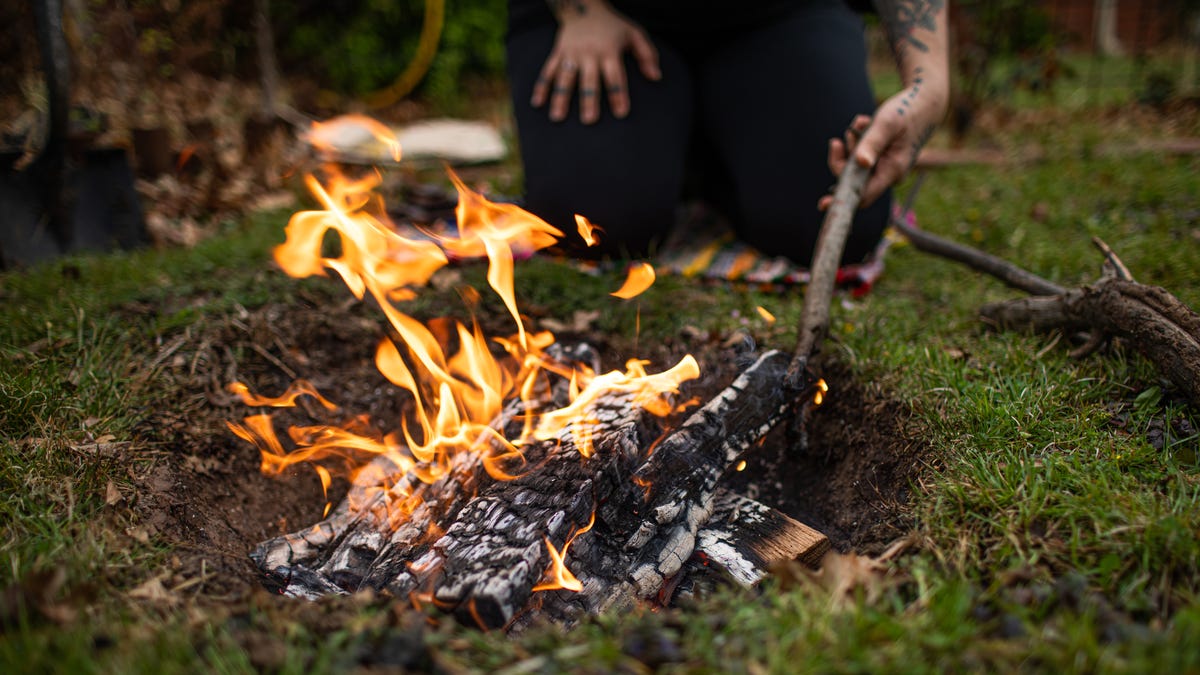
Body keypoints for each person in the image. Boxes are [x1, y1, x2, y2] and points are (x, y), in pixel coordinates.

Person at [505, 0, 949, 266]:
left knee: (837, 221)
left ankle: (709, 146)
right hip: (607, 19)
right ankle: (665, 145)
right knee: (593, 225)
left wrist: (929, 82)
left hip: (776, 19)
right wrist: (581, 9)